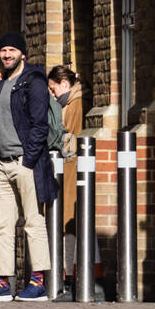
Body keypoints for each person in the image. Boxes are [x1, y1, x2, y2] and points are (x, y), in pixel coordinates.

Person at [0, 32, 54, 302]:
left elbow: (39, 125)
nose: (6, 54)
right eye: (3, 50)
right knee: (3, 227)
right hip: (1, 165)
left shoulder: (33, 81)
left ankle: (38, 282)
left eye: (12, 50)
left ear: (22, 53)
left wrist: (28, 161)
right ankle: (2, 283)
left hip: (24, 163)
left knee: (33, 222)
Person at [48, 64, 96, 297]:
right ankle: (70, 277)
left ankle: (69, 279)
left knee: (69, 225)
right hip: (69, 169)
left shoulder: (74, 105)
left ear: (65, 85)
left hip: (71, 170)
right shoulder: (71, 102)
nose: (52, 94)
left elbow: (69, 138)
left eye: (53, 89)